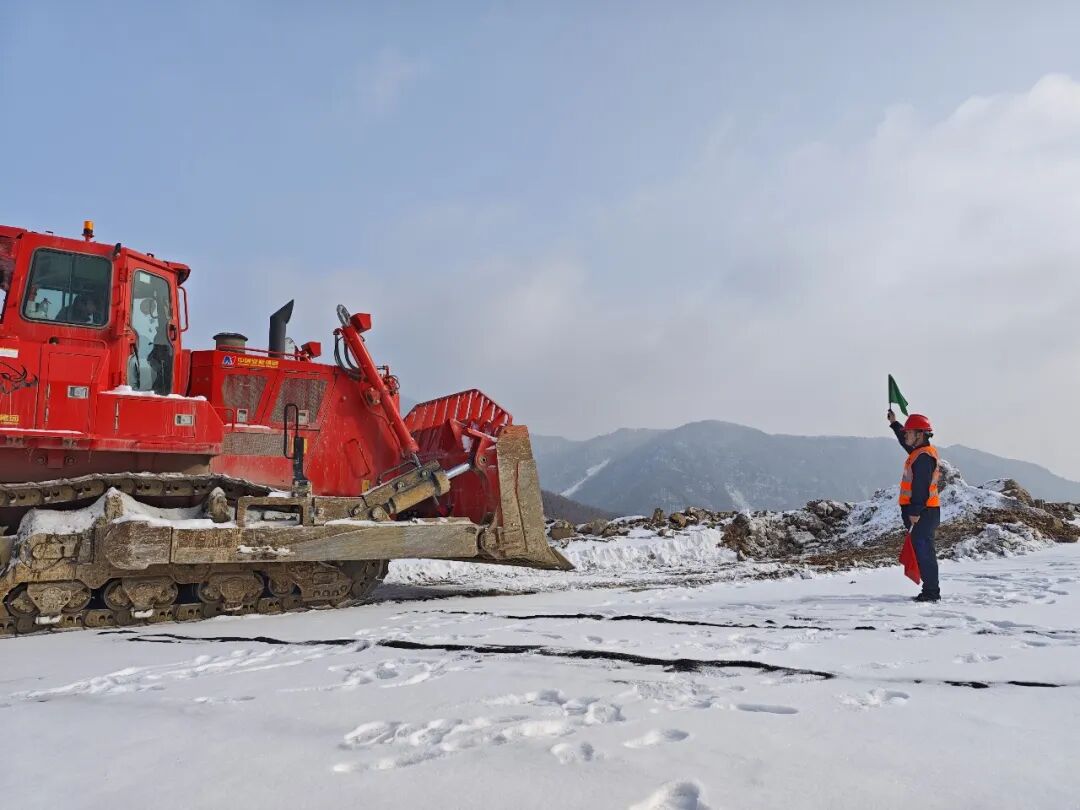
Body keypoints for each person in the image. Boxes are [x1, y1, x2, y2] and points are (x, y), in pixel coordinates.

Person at [888, 410, 942, 602]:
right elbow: (905, 442)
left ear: (920, 435)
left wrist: (915, 511)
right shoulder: (919, 452)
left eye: (909, 432)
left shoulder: (923, 457)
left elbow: (921, 486)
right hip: (925, 512)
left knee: (925, 552)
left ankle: (931, 592)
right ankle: (930, 590)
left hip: (923, 513)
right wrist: (895, 424)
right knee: (922, 551)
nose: (906, 435)